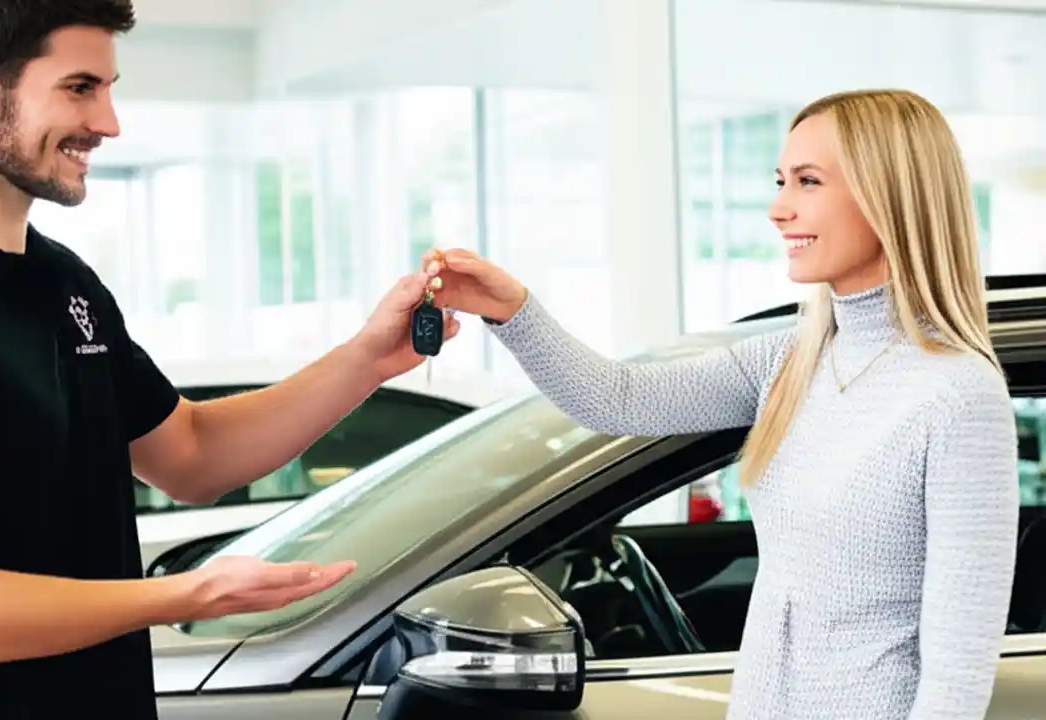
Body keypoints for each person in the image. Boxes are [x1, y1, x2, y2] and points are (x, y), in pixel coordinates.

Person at [0, 1, 456, 718]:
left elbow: (190, 452)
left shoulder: (61, 282)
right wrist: (188, 594)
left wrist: (365, 360)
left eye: (108, 88)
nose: (108, 123)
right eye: (80, 88)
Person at [425, 89, 1018, 719]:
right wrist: (512, 310)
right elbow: (619, 400)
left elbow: (958, 671)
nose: (778, 208)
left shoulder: (958, 394)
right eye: (780, 180)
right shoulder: (790, 361)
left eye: (807, 182)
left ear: (889, 196)